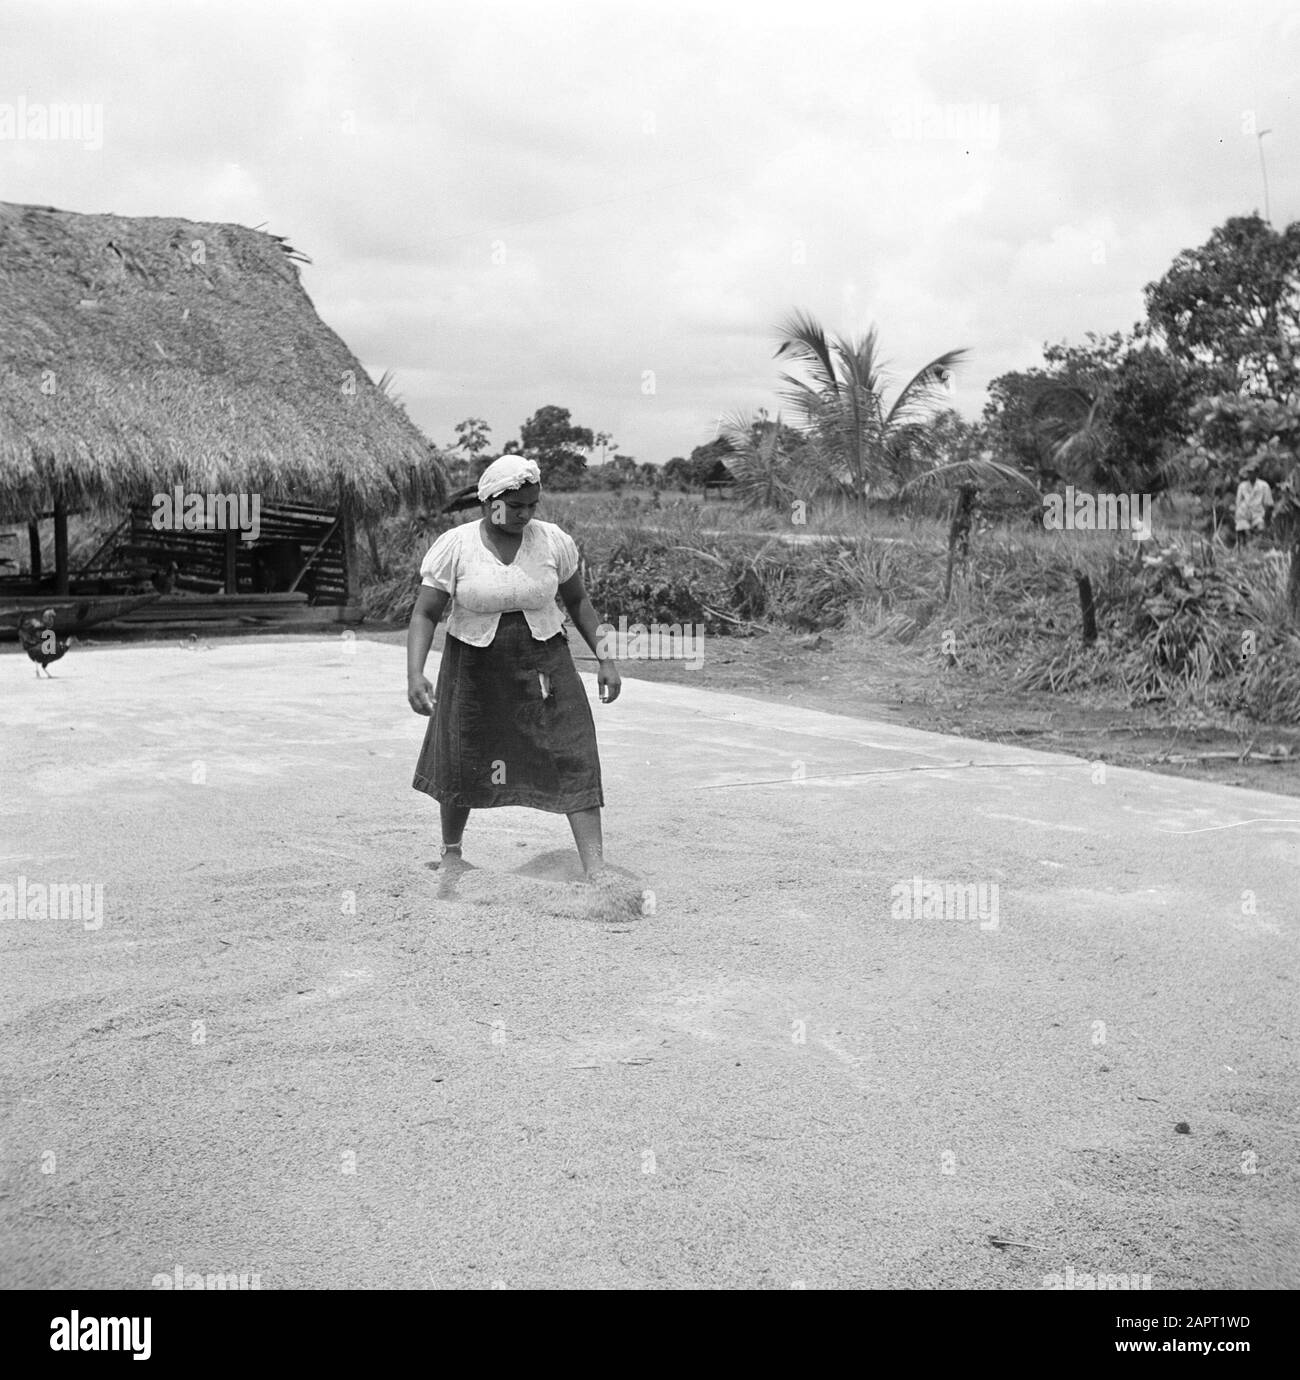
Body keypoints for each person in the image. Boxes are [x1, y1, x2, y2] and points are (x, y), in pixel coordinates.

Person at [406, 454, 621, 878]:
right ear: (489, 503)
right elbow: (425, 613)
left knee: (574, 751)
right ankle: (452, 853)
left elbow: (578, 602)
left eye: (532, 505)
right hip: (473, 667)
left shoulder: (553, 541)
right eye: (515, 506)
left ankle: (596, 870)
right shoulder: (456, 545)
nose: (524, 514)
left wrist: (605, 658)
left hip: (546, 662)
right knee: (464, 754)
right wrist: (415, 674)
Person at [1234, 463, 1273, 546]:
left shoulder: (1264, 486)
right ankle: (1243, 547)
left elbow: (1269, 503)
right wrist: (1238, 516)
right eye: (1248, 472)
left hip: (1258, 514)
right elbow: (1238, 503)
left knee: (1260, 530)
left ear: (1257, 473)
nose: (1250, 474)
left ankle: (1257, 546)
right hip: (1244, 514)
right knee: (1243, 532)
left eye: (1252, 472)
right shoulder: (1242, 486)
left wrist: (1266, 520)